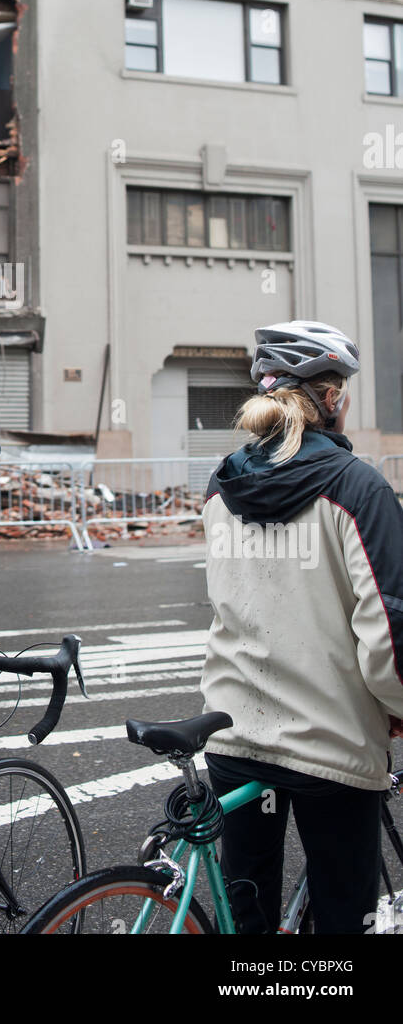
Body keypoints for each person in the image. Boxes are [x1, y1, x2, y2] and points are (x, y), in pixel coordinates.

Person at [200, 320, 403, 934]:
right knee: (343, 920)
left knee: (247, 919)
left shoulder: (221, 487)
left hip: (232, 735)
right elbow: (387, 630)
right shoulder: (357, 488)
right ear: (332, 397)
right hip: (330, 743)